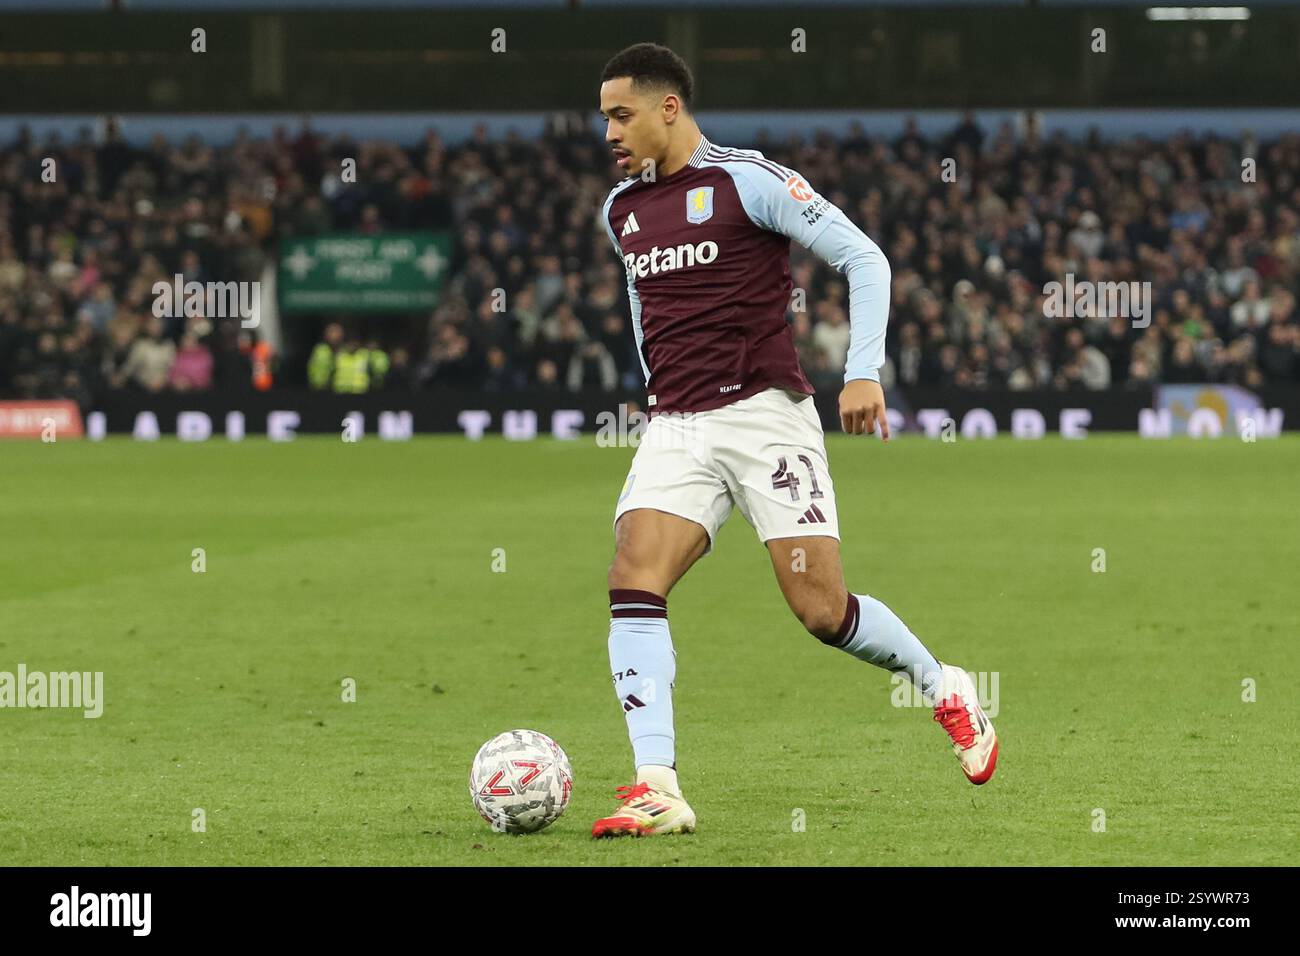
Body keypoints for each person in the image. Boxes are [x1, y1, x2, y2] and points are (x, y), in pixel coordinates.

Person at [589, 44, 998, 839]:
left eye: (620, 114)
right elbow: (647, 313)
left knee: (819, 610)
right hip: (678, 424)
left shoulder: (748, 180)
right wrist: (656, 395)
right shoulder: (623, 212)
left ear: (668, 107)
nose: (608, 131)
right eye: (605, 116)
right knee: (633, 575)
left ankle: (942, 683)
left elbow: (863, 257)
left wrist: (863, 372)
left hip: (765, 418)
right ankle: (656, 785)